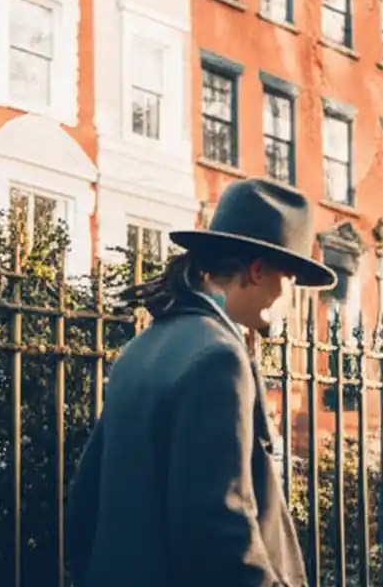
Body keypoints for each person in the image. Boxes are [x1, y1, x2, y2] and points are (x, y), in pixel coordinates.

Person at [64, 178, 336, 586]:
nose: (290, 294)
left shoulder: (142, 347)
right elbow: (219, 535)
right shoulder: (219, 358)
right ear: (258, 271)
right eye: (291, 278)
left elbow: (85, 500)